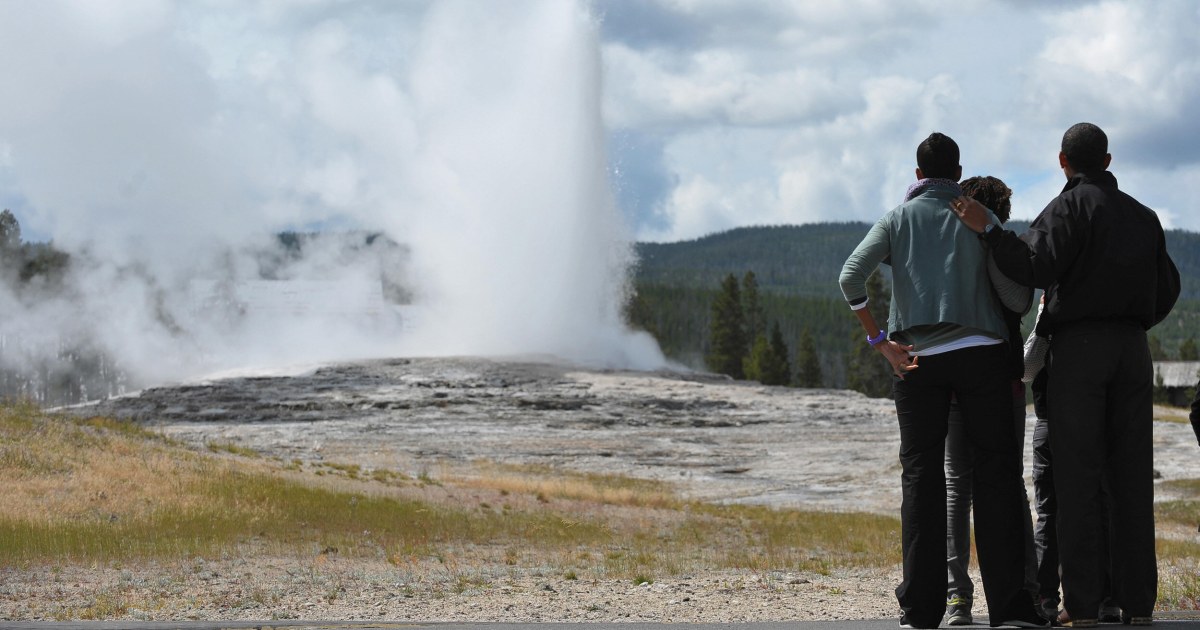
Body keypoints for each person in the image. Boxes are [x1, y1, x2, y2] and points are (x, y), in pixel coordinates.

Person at [951, 122, 1180, 627]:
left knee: (1076, 481)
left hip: (1080, 351)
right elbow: (1168, 287)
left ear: (1062, 161)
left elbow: (1033, 266)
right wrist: (1134, 323)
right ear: (1109, 160)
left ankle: (1082, 606)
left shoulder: (1067, 208)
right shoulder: (1144, 216)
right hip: (1133, 350)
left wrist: (989, 230)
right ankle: (1138, 606)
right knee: (1132, 479)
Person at [839, 132, 1046, 629]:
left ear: (916, 175)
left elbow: (850, 277)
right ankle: (1011, 607)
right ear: (958, 172)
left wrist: (880, 342)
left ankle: (923, 607)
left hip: (917, 361)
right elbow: (1017, 284)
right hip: (983, 354)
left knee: (923, 479)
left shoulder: (897, 217)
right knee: (995, 476)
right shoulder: (976, 215)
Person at [942, 176, 1038, 626]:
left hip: (954, 376)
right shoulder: (1001, 245)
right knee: (1008, 481)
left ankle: (957, 596)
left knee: (958, 484)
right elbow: (1018, 303)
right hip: (1001, 377)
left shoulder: (943, 250)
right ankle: (1028, 591)